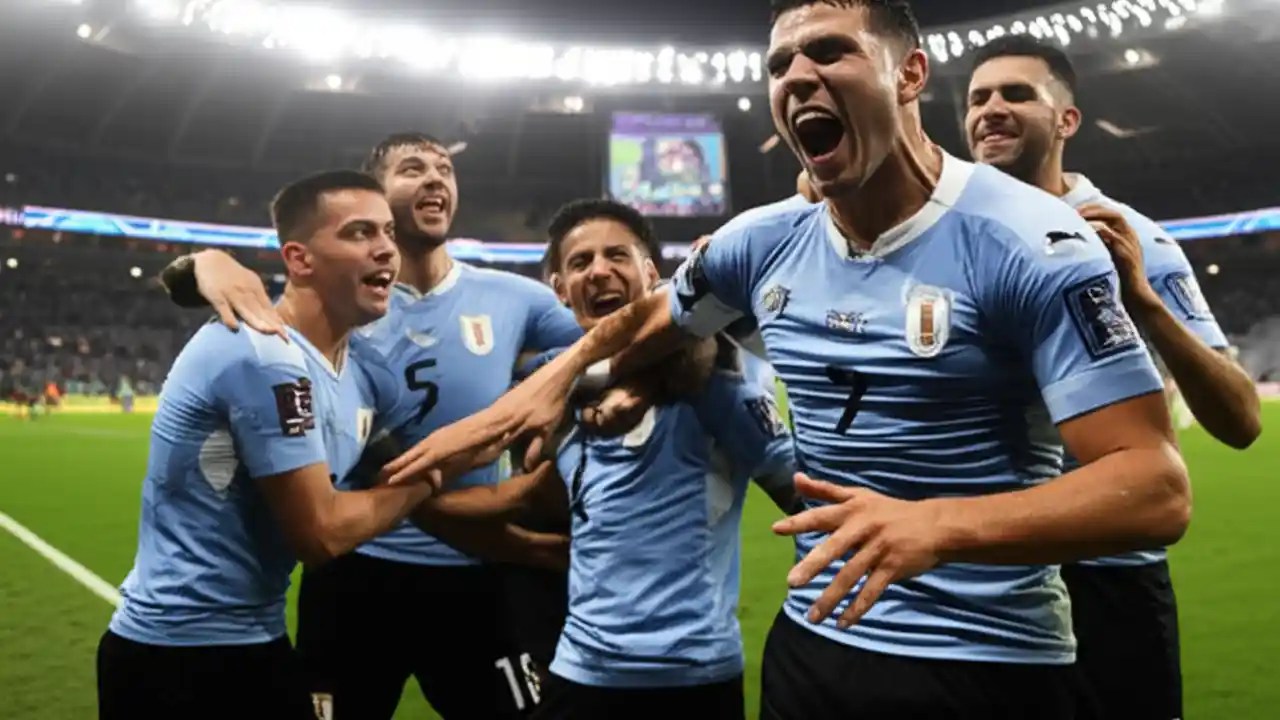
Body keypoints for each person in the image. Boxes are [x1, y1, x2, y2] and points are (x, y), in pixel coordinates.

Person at [384, 2, 1193, 717]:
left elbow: (1154, 490)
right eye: (779, 65)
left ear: (909, 73)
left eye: (831, 52)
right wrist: (547, 388)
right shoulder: (763, 242)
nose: (799, 76)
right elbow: (652, 320)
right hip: (814, 648)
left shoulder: (1031, 244)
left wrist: (938, 524)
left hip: (984, 658)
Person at [168, 133, 641, 718]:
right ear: (376, 195)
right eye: (413, 169)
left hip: (473, 581)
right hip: (357, 574)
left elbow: (618, 339)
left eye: (444, 169)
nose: (436, 179)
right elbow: (258, 316)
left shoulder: (514, 300)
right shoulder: (339, 301)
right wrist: (203, 263)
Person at [965, 35, 1262, 720]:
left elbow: (1242, 419)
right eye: (980, 97)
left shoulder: (1135, 238)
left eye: (1017, 94)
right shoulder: (954, 234)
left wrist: (1145, 305)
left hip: (1108, 580)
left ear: (1066, 121)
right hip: (987, 578)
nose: (992, 110)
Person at [96, 170, 446, 719]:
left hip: (256, 640)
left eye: (387, 232)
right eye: (359, 233)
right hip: (176, 658)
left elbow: (426, 443)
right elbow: (321, 533)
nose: (385, 249)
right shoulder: (263, 354)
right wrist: (421, 485)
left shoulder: (364, 372)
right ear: (299, 259)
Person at [518, 198, 796, 718]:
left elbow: (796, 489)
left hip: (693, 675)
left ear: (651, 273)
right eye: (580, 263)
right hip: (580, 668)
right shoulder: (551, 382)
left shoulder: (723, 366)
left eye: (616, 256)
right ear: (559, 290)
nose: (599, 271)